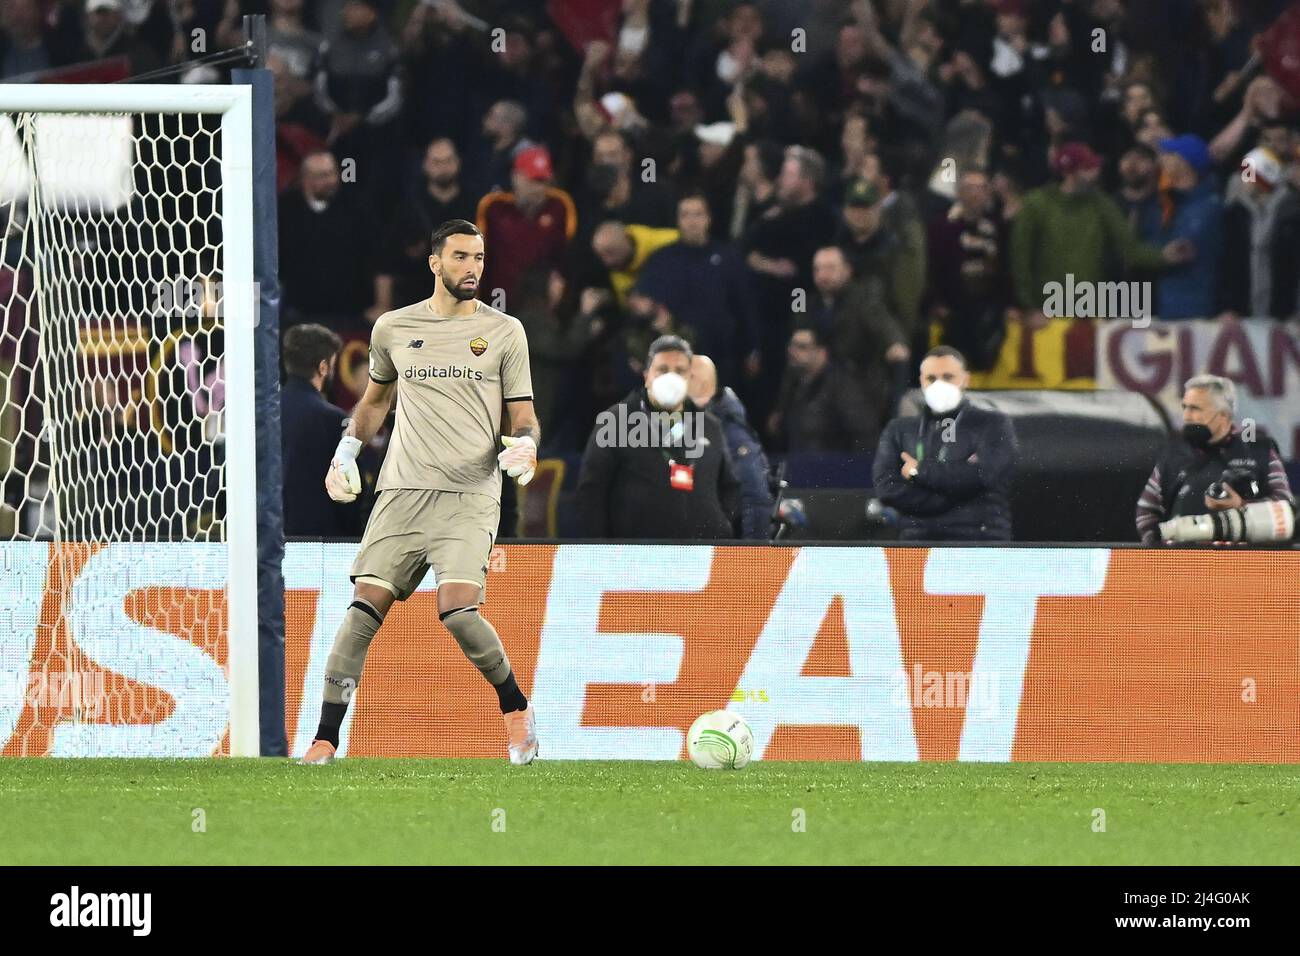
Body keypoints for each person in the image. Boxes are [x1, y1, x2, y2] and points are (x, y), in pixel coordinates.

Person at [300, 220, 541, 767]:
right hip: (401, 491)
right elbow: (375, 401)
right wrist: (346, 451)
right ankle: (325, 739)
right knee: (362, 609)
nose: (472, 268)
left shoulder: (506, 332)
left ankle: (515, 709)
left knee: (457, 611)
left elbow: (524, 416)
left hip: (470, 493)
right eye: (460, 257)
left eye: (479, 258)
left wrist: (525, 447)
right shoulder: (392, 327)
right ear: (435, 262)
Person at [577, 335, 739, 540]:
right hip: (635, 560)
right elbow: (592, 491)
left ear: (690, 377)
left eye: (679, 371)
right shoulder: (615, 421)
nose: (671, 377)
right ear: (646, 375)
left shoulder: (710, 426)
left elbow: (730, 488)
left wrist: (721, 526)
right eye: (662, 370)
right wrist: (603, 551)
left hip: (701, 560)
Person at [872, 346, 1018, 541]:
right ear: (921, 381)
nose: (939, 385)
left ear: (966, 379)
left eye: (948, 377)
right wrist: (958, 491)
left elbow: (986, 475)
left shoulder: (993, 424)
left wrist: (918, 471)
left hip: (980, 541)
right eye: (931, 378)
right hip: (917, 542)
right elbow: (886, 488)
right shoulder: (899, 429)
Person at [1135, 375, 1292, 545]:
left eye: (1195, 409)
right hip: (1182, 564)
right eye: (1185, 407)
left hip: (1245, 563)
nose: (1187, 416)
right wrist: (1155, 551)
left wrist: (1242, 506)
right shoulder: (1173, 454)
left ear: (1223, 415)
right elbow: (1147, 510)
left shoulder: (1259, 452)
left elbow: (1284, 508)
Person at [280, 323, 370, 538]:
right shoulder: (333, 420)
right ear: (323, 367)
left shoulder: (258, 416)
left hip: (263, 542)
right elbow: (352, 493)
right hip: (319, 547)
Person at [688, 354, 772, 540]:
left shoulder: (729, 430)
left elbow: (755, 499)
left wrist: (751, 559)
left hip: (719, 551)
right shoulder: (683, 425)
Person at [768, 325, 878, 454]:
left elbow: (865, 435)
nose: (792, 352)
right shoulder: (792, 387)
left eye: (802, 347)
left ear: (822, 353)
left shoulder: (842, 386)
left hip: (831, 467)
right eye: (791, 346)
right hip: (800, 465)